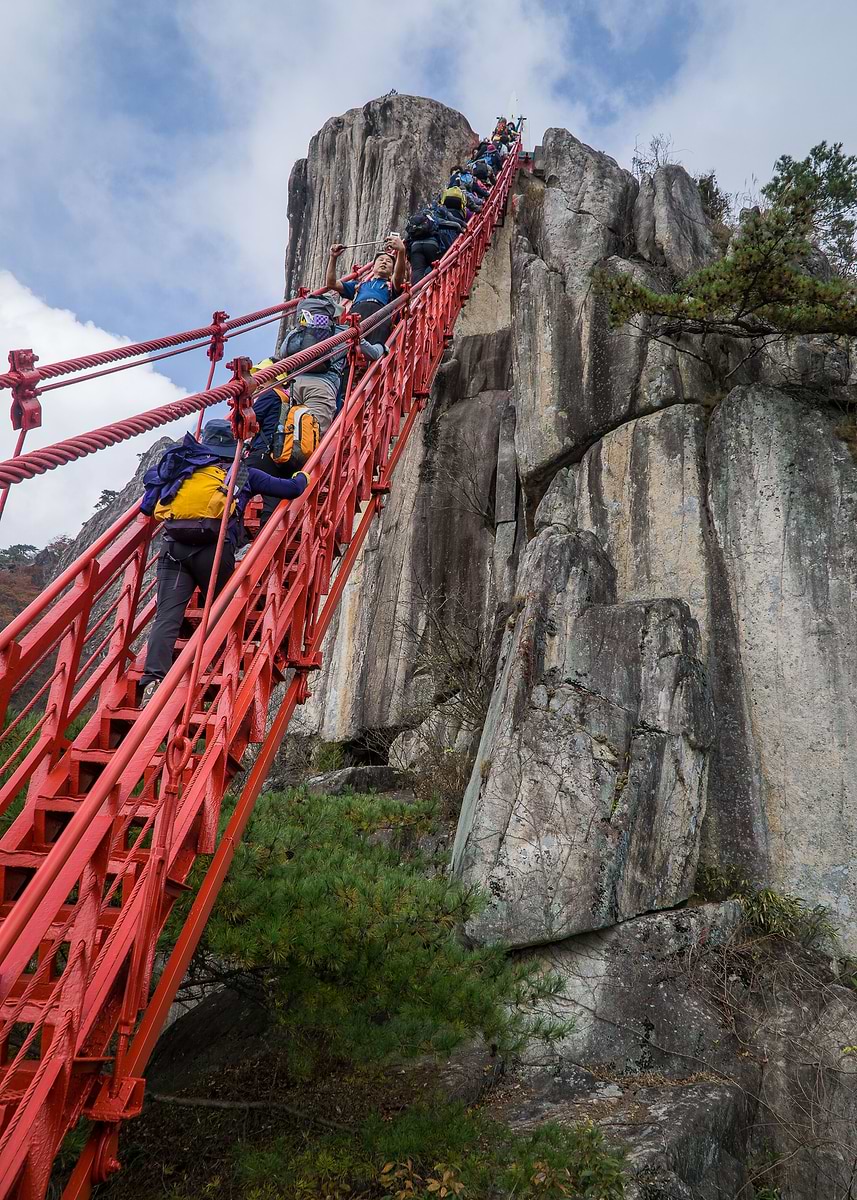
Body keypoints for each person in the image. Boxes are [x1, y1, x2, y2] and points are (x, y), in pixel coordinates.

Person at [138, 423, 310, 703]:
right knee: (219, 610)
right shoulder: (244, 473)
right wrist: (304, 474)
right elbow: (291, 488)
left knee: (167, 617)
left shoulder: (184, 469)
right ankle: (214, 669)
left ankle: (153, 677)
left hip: (173, 548)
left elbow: (148, 505)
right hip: (214, 551)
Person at [325, 236, 407, 345]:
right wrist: (333, 258)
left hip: (380, 316)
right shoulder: (359, 285)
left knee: (373, 355)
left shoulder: (392, 285)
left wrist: (401, 252)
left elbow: (398, 276)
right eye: (381, 260)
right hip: (357, 314)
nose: (384, 262)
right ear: (373, 267)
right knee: (346, 350)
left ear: (392, 270)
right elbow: (331, 283)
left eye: (388, 262)